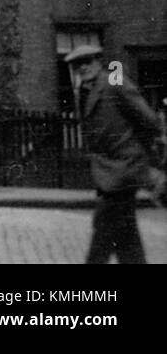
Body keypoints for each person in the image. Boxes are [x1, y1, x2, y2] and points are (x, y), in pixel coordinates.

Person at [66, 44, 167, 264]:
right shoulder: (83, 91)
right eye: (77, 65)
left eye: (88, 62)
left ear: (98, 62)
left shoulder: (114, 81)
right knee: (126, 237)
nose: (83, 68)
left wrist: (137, 148)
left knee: (103, 230)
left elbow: (148, 119)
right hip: (109, 171)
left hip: (125, 168)